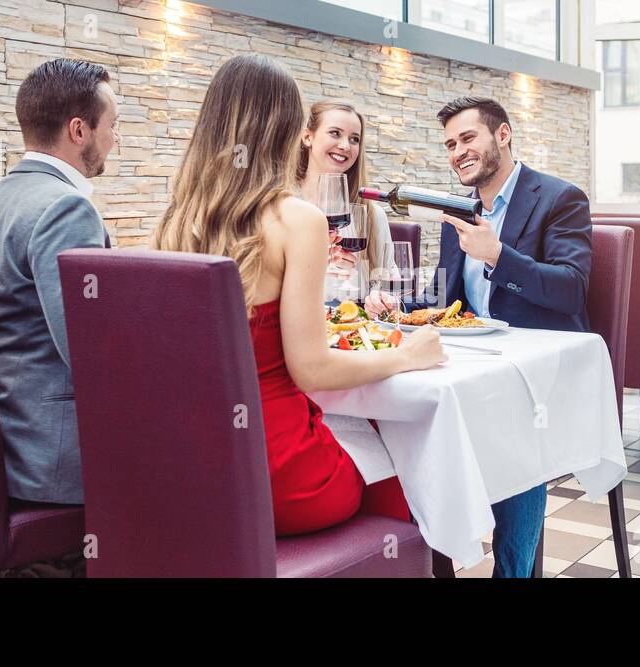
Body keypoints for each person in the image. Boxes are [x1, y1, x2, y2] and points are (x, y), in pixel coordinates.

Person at [150, 54, 445, 535]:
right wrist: (407, 357)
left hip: (199, 466)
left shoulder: (177, 221)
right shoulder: (295, 219)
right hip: (281, 475)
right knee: (401, 461)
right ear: (291, 128)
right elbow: (311, 368)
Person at [369, 96, 592, 577]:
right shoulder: (459, 213)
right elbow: (451, 302)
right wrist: (403, 310)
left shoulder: (559, 198)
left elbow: (571, 291)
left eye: (468, 138)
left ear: (503, 135)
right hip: (477, 362)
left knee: (516, 430)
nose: (457, 152)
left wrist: (498, 256)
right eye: (450, 144)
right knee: (413, 414)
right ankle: (438, 566)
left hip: (542, 373)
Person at [0, 58, 119, 505]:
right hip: (54, 457)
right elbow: (90, 350)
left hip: (0, 444)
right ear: (79, 130)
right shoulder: (66, 208)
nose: (115, 140)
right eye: (112, 125)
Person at [296, 99, 398, 306]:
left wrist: (381, 303)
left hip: (355, 331)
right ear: (308, 137)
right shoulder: (282, 206)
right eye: (335, 133)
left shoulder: (371, 214)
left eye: (354, 139)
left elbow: (390, 289)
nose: (345, 146)